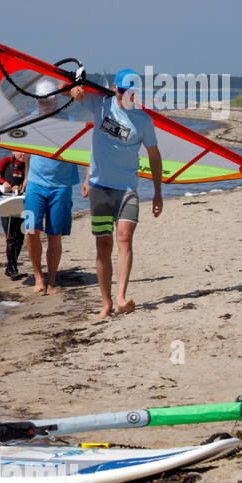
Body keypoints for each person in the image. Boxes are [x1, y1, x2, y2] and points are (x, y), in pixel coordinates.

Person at [69, 70, 164, 319]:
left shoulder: (143, 120)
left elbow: (154, 156)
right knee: (103, 244)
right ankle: (106, 302)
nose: (127, 96)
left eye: (132, 92)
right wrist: (75, 89)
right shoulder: (101, 104)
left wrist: (158, 193)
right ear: (115, 88)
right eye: (123, 91)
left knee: (124, 238)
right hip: (99, 188)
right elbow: (71, 91)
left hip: (127, 189)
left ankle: (121, 297)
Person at [20, 79, 86, 294]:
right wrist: (26, 176)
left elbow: (85, 152)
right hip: (35, 185)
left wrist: (87, 179)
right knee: (30, 229)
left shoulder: (69, 121)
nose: (44, 105)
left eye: (47, 101)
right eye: (40, 101)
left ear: (55, 100)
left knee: (54, 234)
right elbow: (26, 149)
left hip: (61, 186)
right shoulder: (30, 120)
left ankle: (51, 281)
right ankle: (39, 276)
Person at [0, 150, 28, 279]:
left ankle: (10, 267)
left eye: (26, 152)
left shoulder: (29, 165)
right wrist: (3, 182)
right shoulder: (7, 161)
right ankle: (12, 268)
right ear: (13, 151)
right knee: (11, 237)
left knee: (21, 238)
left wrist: (22, 186)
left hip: (23, 204)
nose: (23, 154)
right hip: (7, 204)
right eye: (20, 151)